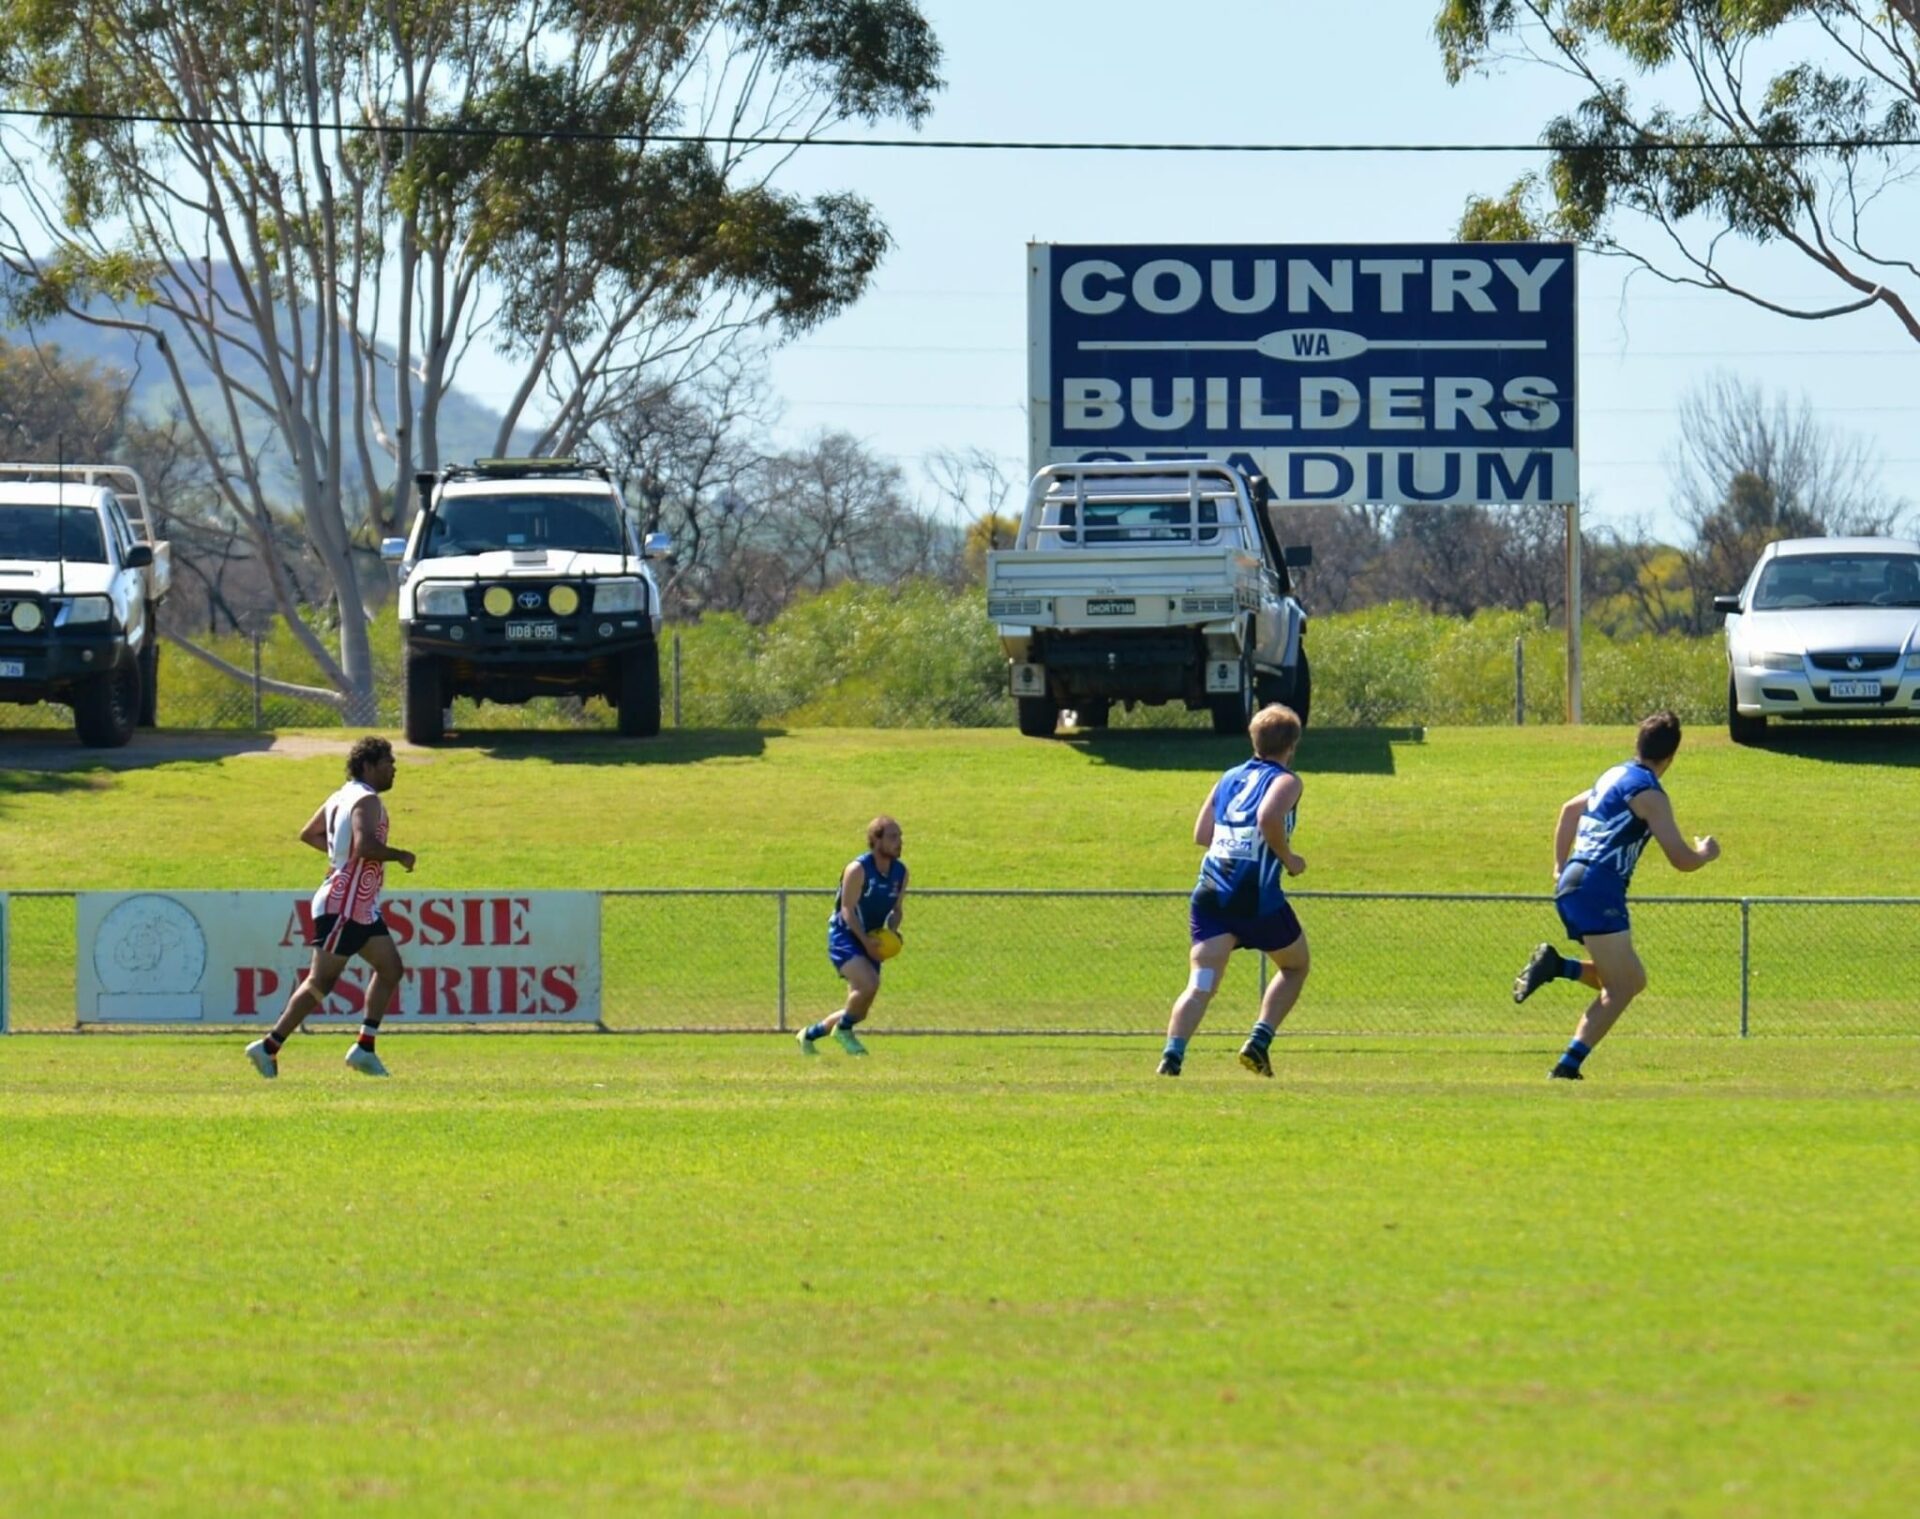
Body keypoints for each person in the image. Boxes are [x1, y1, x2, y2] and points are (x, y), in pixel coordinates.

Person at [1511, 710, 1719, 1080]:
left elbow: (1568, 810)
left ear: (1638, 745)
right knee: (1621, 988)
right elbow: (1681, 859)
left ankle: (1558, 966)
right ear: (1672, 757)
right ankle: (1565, 1068)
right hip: (1598, 887)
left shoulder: (1614, 775)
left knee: (1631, 980)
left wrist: (1559, 866)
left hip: (1575, 882)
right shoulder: (1649, 793)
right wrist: (1706, 852)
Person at [246, 736, 416, 1079]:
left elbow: (309, 834)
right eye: (388, 762)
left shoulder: (340, 796)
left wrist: (338, 859)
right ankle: (268, 1046)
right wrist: (399, 855)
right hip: (345, 905)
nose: (393, 768)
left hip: (358, 905)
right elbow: (366, 846)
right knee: (320, 982)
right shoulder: (367, 800)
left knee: (391, 968)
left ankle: (364, 1048)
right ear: (368, 765)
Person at [1158, 704, 1309, 1079]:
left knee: (1202, 982)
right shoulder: (1287, 780)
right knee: (1294, 966)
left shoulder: (1227, 778)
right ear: (1291, 745)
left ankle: (1172, 1057)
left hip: (1211, 894)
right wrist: (1288, 858)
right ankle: (1258, 1041)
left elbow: (1201, 834)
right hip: (1254, 898)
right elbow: (1269, 817)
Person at [798, 816, 907, 1057]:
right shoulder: (858, 869)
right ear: (875, 840)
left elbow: (896, 910)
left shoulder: (900, 872)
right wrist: (865, 943)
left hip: (871, 937)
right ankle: (844, 1031)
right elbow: (847, 909)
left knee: (859, 1008)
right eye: (892, 837)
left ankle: (809, 1035)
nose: (899, 842)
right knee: (869, 984)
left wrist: (892, 931)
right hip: (845, 935)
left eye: (900, 837)